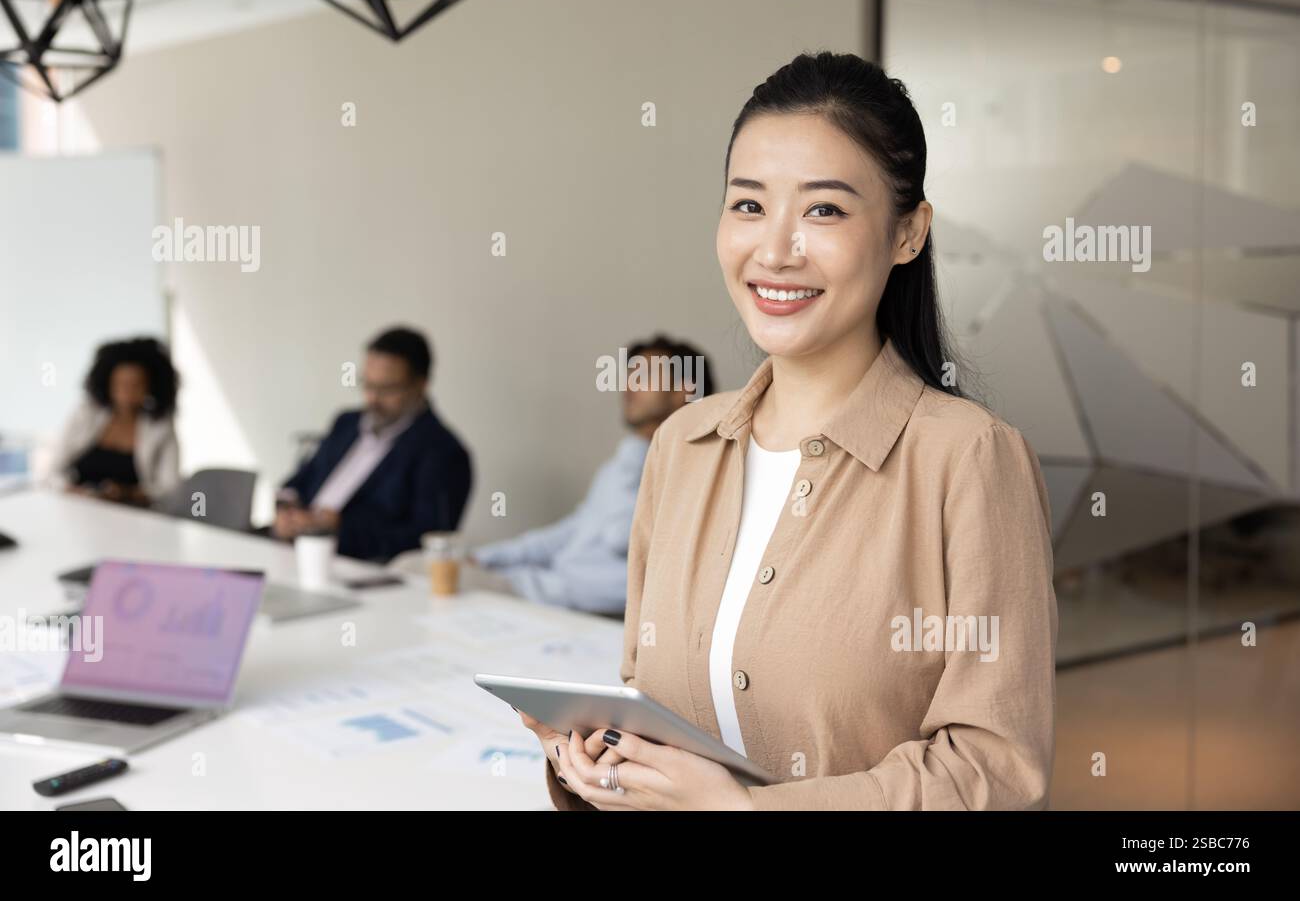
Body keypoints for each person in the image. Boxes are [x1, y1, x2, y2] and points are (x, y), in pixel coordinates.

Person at [521, 52, 1058, 810]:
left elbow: (996, 771)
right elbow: (648, 701)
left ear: (909, 233)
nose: (774, 250)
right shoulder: (681, 446)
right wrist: (598, 764)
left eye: (824, 210)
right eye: (748, 206)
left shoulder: (969, 459)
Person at [468, 336, 714, 614]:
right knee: (428, 566)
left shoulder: (695, 472)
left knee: (433, 578)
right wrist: (487, 558)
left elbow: (619, 536)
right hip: (544, 590)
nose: (628, 387)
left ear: (684, 390)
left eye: (644, 376)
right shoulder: (620, 468)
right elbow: (573, 529)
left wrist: (636, 448)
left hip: (581, 613)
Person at [273, 326, 472, 563]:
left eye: (387, 388)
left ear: (421, 384)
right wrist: (287, 509)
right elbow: (298, 481)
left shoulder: (442, 452)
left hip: (354, 566)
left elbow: (427, 540)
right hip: (292, 549)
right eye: (367, 384)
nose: (373, 398)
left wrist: (337, 528)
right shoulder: (346, 423)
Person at [47, 337, 181, 507]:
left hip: (132, 514)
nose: (127, 392)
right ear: (108, 383)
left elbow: (169, 487)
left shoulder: (160, 428)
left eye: (136, 385)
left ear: (151, 386)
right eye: (121, 384)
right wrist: (71, 490)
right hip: (77, 508)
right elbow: (53, 470)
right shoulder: (86, 415)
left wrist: (128, 493)